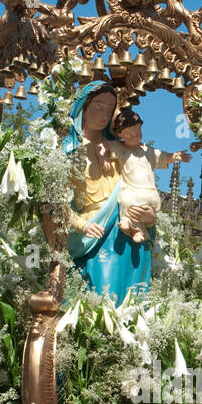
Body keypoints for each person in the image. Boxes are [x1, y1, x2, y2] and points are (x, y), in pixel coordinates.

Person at [64, 82, 157, 304]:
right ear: (83, 107)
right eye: (99, 106)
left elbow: (143, 188)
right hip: (94, 234)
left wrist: (150, 218)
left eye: (110, 108)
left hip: (129, 230)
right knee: (101, 300)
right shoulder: (67, 151)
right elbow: (54, 203)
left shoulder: (124, 148)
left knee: (131, 306)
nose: (105, 114)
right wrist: (81, 225)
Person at [110, 107, 193, 243]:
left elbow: (163, 157)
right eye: (130, 135)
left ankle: (135, 227)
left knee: (145, 209)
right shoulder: (120, 148)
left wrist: (176, 156)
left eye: (138, 132)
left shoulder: (148, 151)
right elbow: (104, 146)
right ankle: (130, 226)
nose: (135, 136)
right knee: (126, 201)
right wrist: (102, 156)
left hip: (148, 191)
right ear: (120, 135)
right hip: (130, 188)